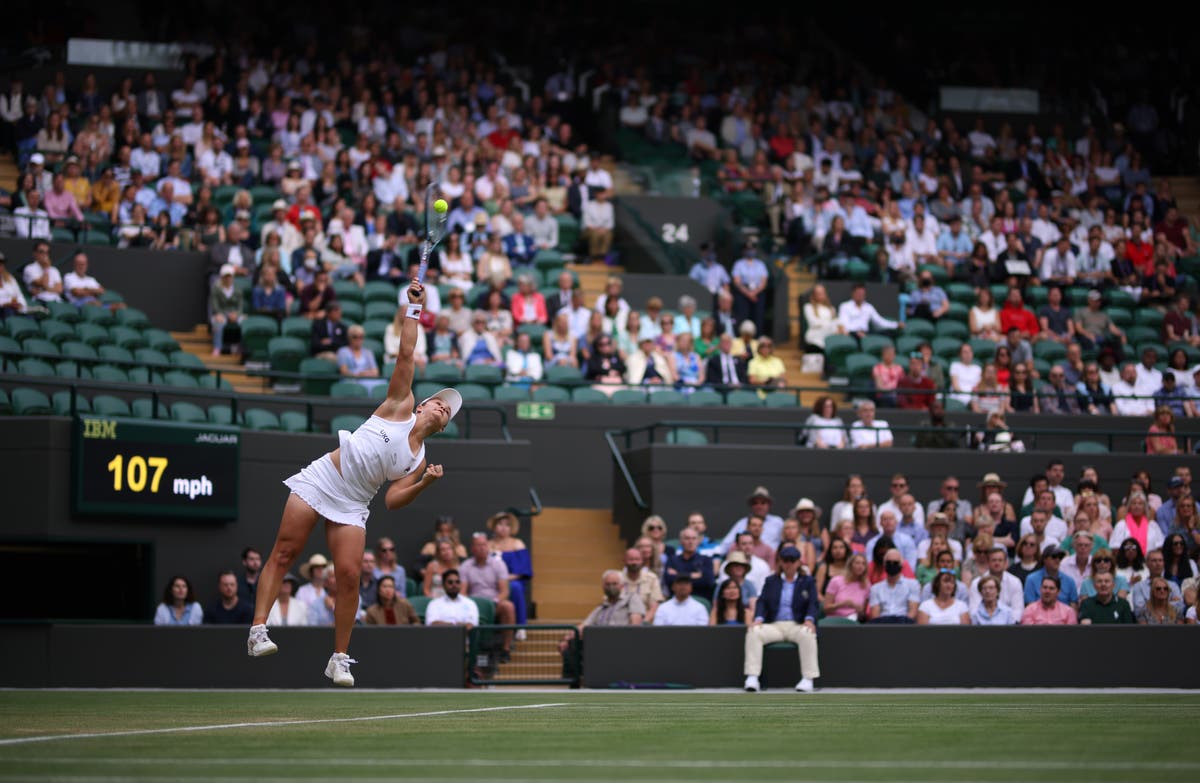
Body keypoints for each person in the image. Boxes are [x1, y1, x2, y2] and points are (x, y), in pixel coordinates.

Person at [247, 280, 456, 687]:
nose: (445, 406)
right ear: (426, 402)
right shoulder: (401, 403)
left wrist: (425, 484)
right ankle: (258, 631)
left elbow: (394, 500)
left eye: (450, 411)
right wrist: (413, 309)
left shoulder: (420, 458)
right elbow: (407, 352)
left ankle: (339, 658)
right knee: (286, 552)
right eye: (441, 401)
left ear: (443, 426)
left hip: (355, 503)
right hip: (325, 477)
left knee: (349, 576)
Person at [742, 546, 821, 693]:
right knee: (754, 632)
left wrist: (809, 620)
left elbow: (813, 603)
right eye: (785, 560)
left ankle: (808, 679)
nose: (789, 564)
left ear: (799, 563)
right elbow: (762, 601)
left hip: (797, 625)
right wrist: (758, 618)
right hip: (775, 625)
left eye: (792, 560)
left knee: (808, 633)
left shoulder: (808, 581)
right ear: (780, 562)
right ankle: (752, 677)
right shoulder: (771, 581)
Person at [460, 532, 516, 658]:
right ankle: (467, 650)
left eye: (484, 545)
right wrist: (468, 604)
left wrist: (494, 601)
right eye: (478, 545)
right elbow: (462, 592)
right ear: (472, 548)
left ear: (488, 546)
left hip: (494, 604)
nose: (482, 548)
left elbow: (504, 592)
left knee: (508, 606)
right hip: (473, 605)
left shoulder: (499, 564)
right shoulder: (465, 566)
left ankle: (506, 649)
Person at [487, 511, 533, 630]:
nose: (503, 528)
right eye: (500, 524)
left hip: (511, 580)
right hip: (490, 581)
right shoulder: (487, 545)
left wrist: (504, 579)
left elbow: (521, 571)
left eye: (507, 525)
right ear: (494, 526)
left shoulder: (517, 544)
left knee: (515, 587)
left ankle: (520, 626)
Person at [867, 548, 920, 623]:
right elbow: (875, 615)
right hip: (882, 625)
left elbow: (913, 612)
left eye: (895, 563)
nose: (892, 565)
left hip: (905, 625)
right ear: (884, 565)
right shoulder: (875, 588)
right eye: (889, 562)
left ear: (901, 564)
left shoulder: (913, 585)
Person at [1130, 549, 1184, 615]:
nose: (1158, 564)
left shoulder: (1173, 585)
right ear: (1147, 564)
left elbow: (1180, 608)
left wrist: (1150, 604)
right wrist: (1169, 603)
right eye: (1154, 561)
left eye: (1160, 560)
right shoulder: (1139, 587)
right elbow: (1139, 611)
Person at [822, 553, 870, 621]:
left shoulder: (866, 585)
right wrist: (842, 604)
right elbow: (826, 608)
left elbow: (863, 612)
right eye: (857, 563)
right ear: (850, 565)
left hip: (853, 621)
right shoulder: (836, 581)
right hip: (834, 620)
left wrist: (859, 610)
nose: (860, 566)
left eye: (863, 564)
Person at [621, 547, 664, 624]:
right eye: (631, 559)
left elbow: (654, 607)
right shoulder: (617, 578)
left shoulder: (652, 578)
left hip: (644, 625)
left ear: (642, 561)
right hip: (620, 624)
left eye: (637, 559)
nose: (634, 562)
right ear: (624, 561)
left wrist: (643, 624)